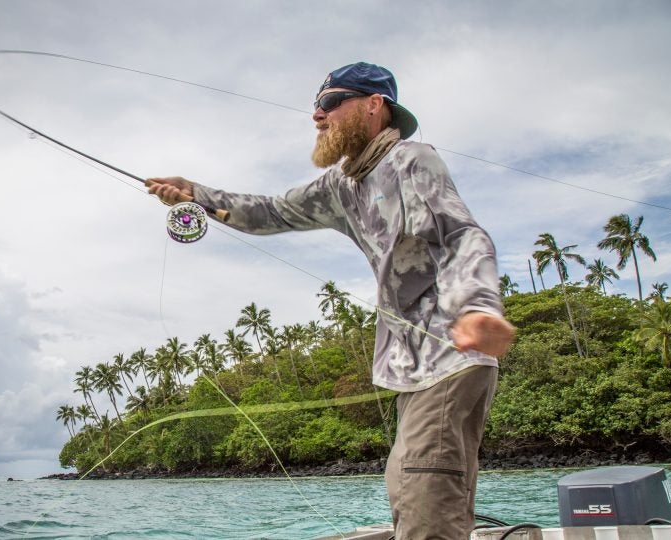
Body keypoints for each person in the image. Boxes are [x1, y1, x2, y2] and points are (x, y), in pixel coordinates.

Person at [147, 62, 515, 539]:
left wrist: (478, 305)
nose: (317, 116)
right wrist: (195, 192)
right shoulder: (343, 186)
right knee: (405, 489)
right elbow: (270, 211)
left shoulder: (411, 160)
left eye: (329, 103)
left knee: (427, 497)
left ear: (373, 105)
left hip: (452, 353)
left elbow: (461, 233)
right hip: (412, 371)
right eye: (315, 107)